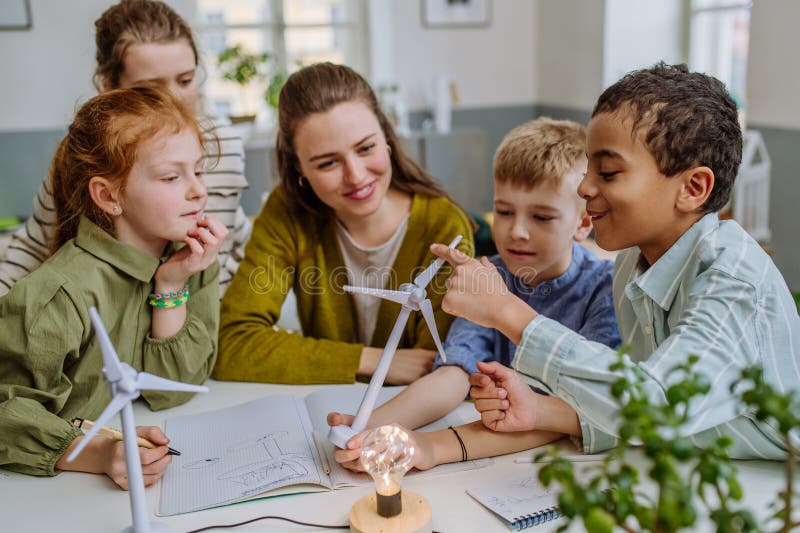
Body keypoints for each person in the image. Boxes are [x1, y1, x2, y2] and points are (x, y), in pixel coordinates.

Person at [427, 63, 800, 462]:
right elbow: (629, 406)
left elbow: (658, 404)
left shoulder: (733, 279)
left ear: (692, 188)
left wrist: (508, 312)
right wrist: (539, 411)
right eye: (590, 170)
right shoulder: (631, 265)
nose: (586, 187)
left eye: (608, 172)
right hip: (714, 466)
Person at [328, 118, 620, 469]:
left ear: (583, 223)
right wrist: (373, 425)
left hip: (566, 467)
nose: (517, 231)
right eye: (504, 211)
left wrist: (428, 448)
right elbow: (454, 373)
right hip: (487, 459)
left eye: (542, 217)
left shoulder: (607, 289)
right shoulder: (486, 278)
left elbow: (579, 408)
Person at [0, 85, 226, 486]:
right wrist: (99, 452)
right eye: (173, 176)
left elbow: (174, 391)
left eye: (199, 170)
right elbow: (7, 411)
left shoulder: (193, 259)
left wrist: (170, 286)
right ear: (109, 196)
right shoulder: (57, 293)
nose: (199, 190)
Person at [214, 62, 474, 385]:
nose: (356, 175)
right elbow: (232, 343)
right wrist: (373, 359)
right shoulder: (287, 212)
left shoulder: (444, 226)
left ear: (387, 137)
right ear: (300, 170)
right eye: (327, 163)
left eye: (366, 148)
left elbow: (437, 364)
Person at [0, 0, 250, 298]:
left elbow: (229, 242)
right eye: (150, 88)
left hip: (196, 318)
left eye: (185, 80)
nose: (174, 100)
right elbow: (34, 245)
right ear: (110, 88)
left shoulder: (224, 146)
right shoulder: (82, 153)